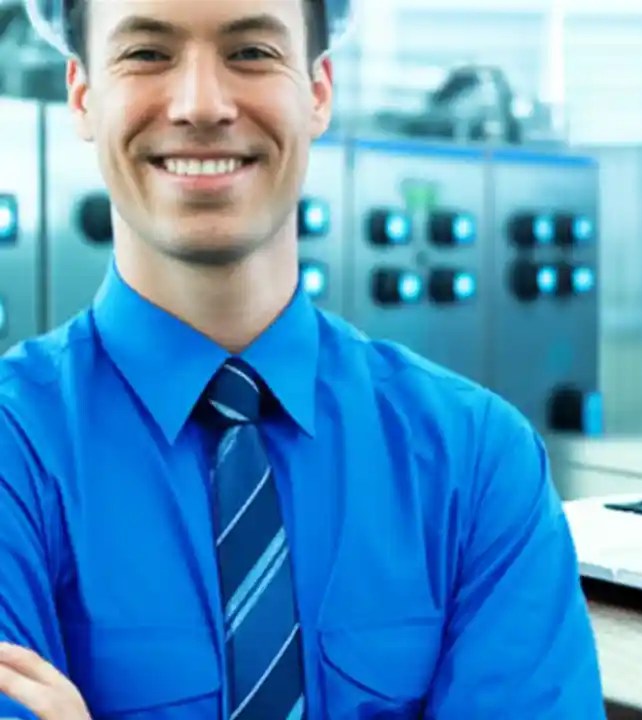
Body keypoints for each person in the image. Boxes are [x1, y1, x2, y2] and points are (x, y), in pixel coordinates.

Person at [0, 0, 606, 717]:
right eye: (147, 54)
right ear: (83, 94)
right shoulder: (15, 449)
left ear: (318, 91)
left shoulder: (475, 461)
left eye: (252, 51)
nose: (201, 104)